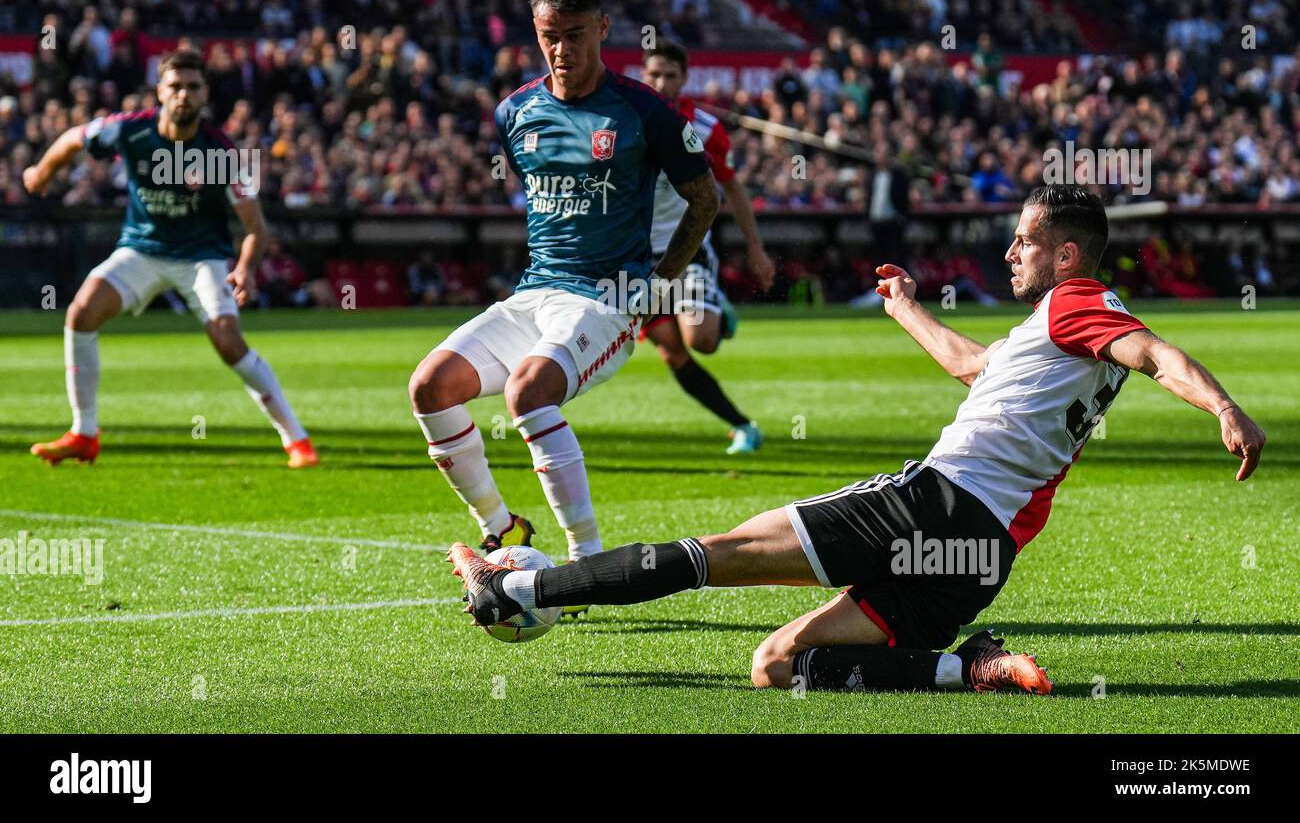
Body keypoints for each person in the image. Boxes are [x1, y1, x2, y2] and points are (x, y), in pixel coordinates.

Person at [449, 186, 1265, 694]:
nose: (1011, 250)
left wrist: (1223, 406)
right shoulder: (1060, 334)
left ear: (1069, 254)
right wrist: (906, 306)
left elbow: (1153, 351)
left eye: (1025, 239)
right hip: (978, 558)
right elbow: (975, 368)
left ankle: (521, 591)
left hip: (929, 507)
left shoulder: (1079, 304)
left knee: (715, 554)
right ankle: (968, 669)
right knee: (774, 665)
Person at [408, 0, 718, 579]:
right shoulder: (514, 113)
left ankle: (587, 563)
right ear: (535, 29)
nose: (562, 49)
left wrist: (660, 282)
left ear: (603, 28)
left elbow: (704, 198)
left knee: (528, 391)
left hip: (607, 300)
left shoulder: (643, 111)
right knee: (430, 387)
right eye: (550, 34)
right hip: (536, 292)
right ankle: (501, 529)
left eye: (576, 33)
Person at [26, 48, 317, 468]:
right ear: (159, 92)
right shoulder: (128, 130)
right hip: (142, 249)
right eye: (175, 86)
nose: (183, 95)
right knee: (81, 313)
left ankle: (297, 440)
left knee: (228, 342)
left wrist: (245, 269)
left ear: (204, 95)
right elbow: (74, 138)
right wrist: (41, 173)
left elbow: (256, 227)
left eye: (192, 87)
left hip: (203, 259)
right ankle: (84, 434)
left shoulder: (220, 152)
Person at [640, 40, 775, 454]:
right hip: (640, 257)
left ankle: (716, 305)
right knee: (673, 353)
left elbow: (731, 187)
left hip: (689, 247)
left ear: (684, 79)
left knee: (700, 340)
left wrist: (756, 249)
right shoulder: (625, 120)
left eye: (670, 75)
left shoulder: (703, 127)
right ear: (644, 76)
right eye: (654, 74)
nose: (661, 82)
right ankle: (742, 426)